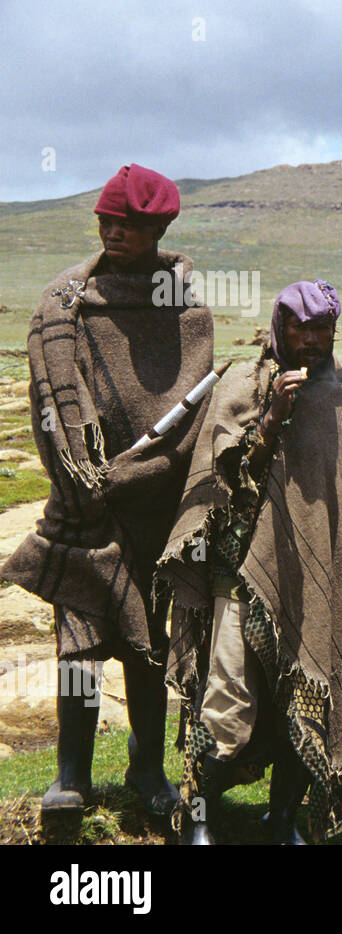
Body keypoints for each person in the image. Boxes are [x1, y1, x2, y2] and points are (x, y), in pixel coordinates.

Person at [2, 164, 212, 824]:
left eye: (127, 224)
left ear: (158, 228)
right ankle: (71, 772)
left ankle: (146, 769)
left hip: (154, 509)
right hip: (83, 507)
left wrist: (137, 475)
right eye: (104, 222)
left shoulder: (186, 311)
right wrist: (84, 480)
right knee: (78, 645)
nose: (111, 232)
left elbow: (191, 425)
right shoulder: (63, 303)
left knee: (148, 647)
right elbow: (50, 410)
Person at [159, 280, 342, 844]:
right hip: (239, 568)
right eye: (301, 328)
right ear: (279, 326)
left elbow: (339, 500)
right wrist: (270, 421)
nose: (312, 340)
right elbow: (220, 483)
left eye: (323, 330)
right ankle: (196, 815)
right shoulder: (243, 384)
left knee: (306, 701)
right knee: (228, 697)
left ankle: (283, 819)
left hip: (308, 585)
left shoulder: (339, 394)